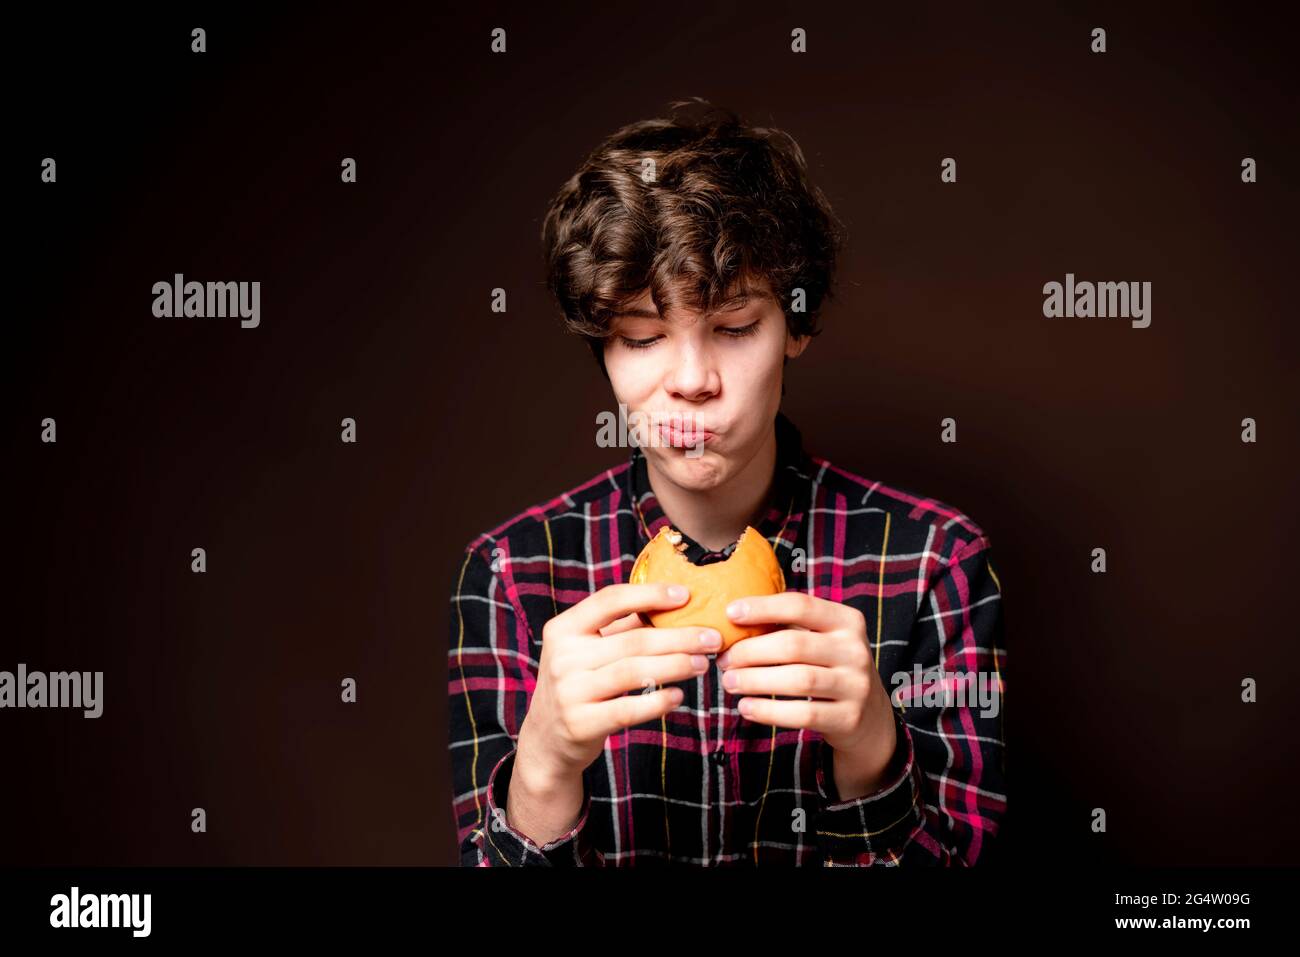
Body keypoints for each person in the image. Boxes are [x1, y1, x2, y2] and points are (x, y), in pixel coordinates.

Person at [447, 98, 1006, 866]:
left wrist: (874, 751)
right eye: (642, 336)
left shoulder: (935, 563)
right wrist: (543, 766)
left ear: (797, 327)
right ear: (603, 347)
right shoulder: (512, 576)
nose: (690, 381)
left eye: (735, 326)